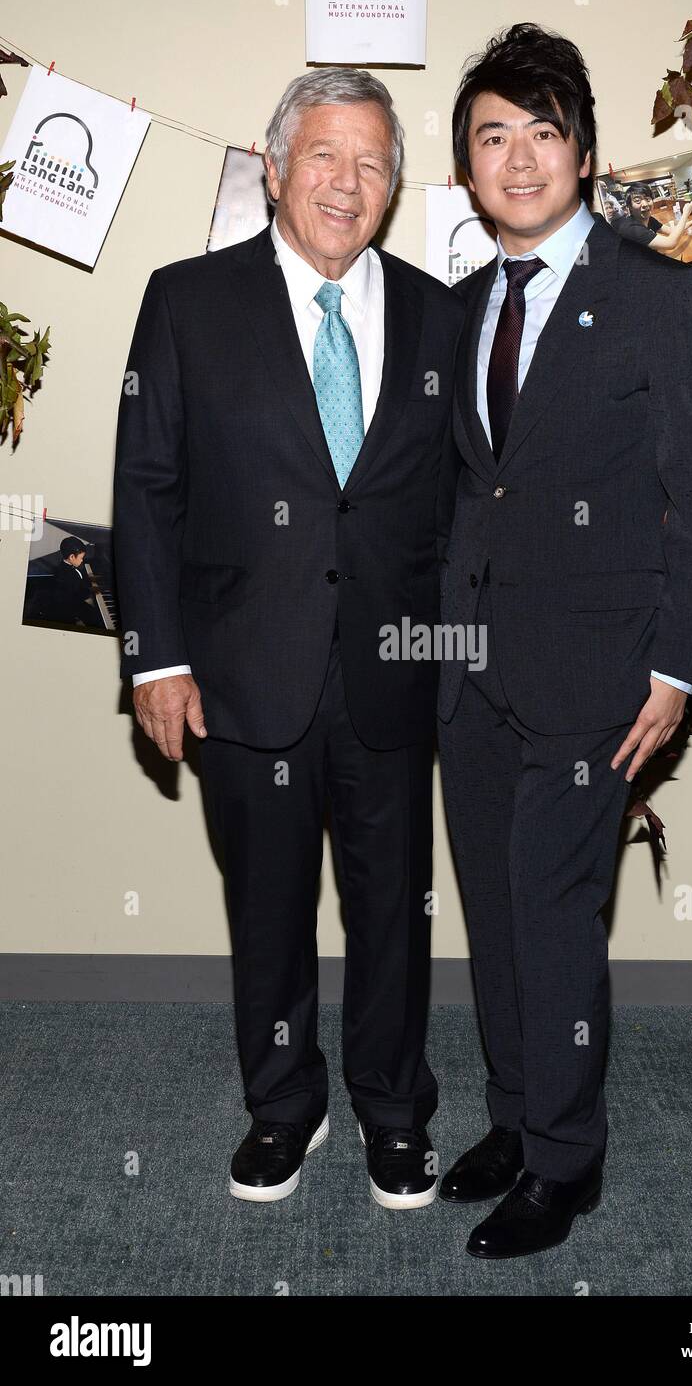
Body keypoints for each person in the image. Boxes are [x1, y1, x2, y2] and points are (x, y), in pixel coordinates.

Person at [114, 67, 465, 1210]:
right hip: (239, 675)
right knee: (264, 906)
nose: (345, 181)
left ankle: (393, 1110)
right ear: (272, 167)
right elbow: (149, 486)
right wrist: (153, 660)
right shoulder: (185, 301)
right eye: (323, 154)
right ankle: (283, 1104)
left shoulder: (438, 315)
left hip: (392, 676)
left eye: (371, 162)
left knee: (392, 912)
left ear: (393, 185)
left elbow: (465, 507)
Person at [436, 23, 692, 1259]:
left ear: (583, 150)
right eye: (490, 137)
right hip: (466, 674)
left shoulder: (661, 299)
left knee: (555, 916)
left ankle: (566, 1160)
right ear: (464, 167)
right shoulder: (453, 309)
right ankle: (512, 1118)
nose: (515, 159)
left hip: (599, 677)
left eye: (539, 133)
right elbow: (461, 490)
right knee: (496, 917)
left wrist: (673, 669)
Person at [52, 537, 103, 628]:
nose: (82, 560)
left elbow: (80, 580)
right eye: (81, 558)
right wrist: (95, 589)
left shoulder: (66, 566)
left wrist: (92, 579)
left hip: (74, 596)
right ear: (71, 557)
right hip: (71, 605)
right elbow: (81, 593)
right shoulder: (67, 575)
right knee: (97, 619)